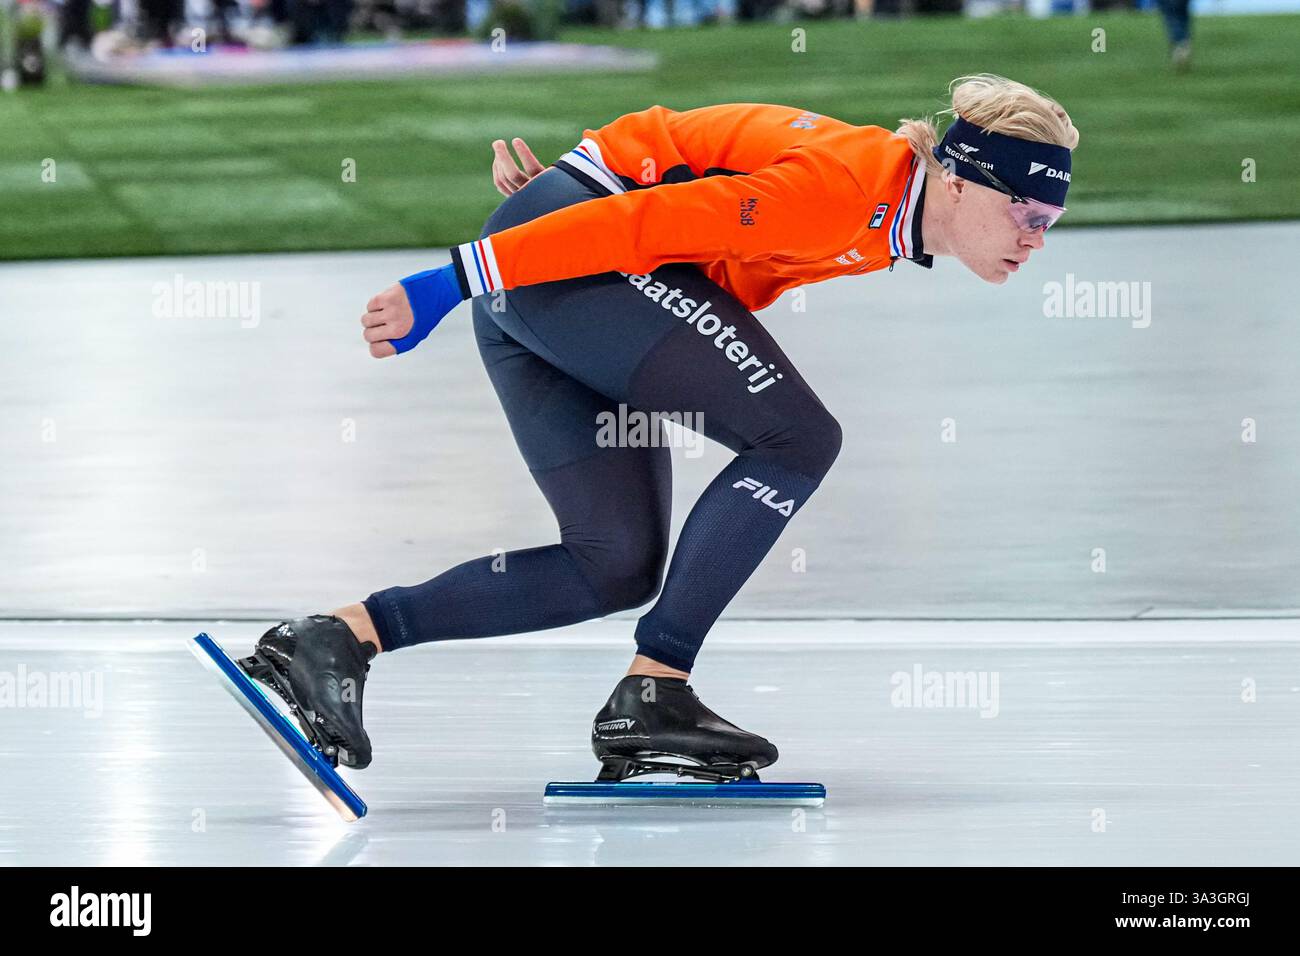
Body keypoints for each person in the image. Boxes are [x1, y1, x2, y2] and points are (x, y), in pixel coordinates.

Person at [241, 74, 1078, 782]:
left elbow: (694, 225)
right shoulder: (845, 192)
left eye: (1051, 221)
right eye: (1028, 214)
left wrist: (560, 192)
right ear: (963, 182)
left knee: (614, 563)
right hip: (575, 260)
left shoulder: (884, 215)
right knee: (798, 437)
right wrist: (453, 277)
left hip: (569, 267)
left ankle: (335, 638)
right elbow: (641, 226)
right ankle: (656, 687)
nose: (1036, 239)